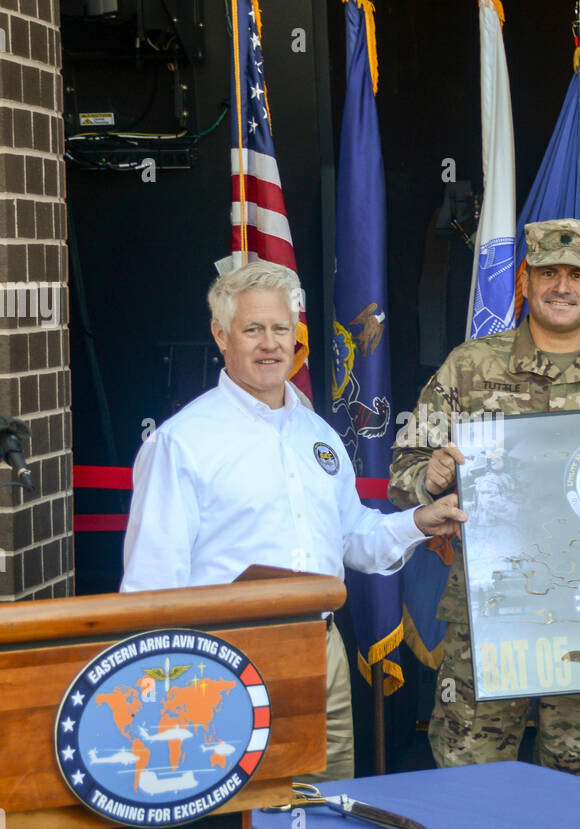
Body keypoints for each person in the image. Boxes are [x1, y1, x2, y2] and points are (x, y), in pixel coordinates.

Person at [121, 260, 467, 782]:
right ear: (221, 335)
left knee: (325, 809)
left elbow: (355, 540)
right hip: (224, 659)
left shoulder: (317, 435)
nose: (269, 344)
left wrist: (421, 520)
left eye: (280, 329)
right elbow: (150, 589)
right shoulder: (181, 443)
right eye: (252, 329)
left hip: (321, 652)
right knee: (239, 817)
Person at [389, 218, 580, 781]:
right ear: (524, 281)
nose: (562, 285)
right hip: (490, 616)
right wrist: (428, 478)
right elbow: (402, 472)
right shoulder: (469, 366)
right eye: (548, 272)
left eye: (577, 274)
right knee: (470, 782)